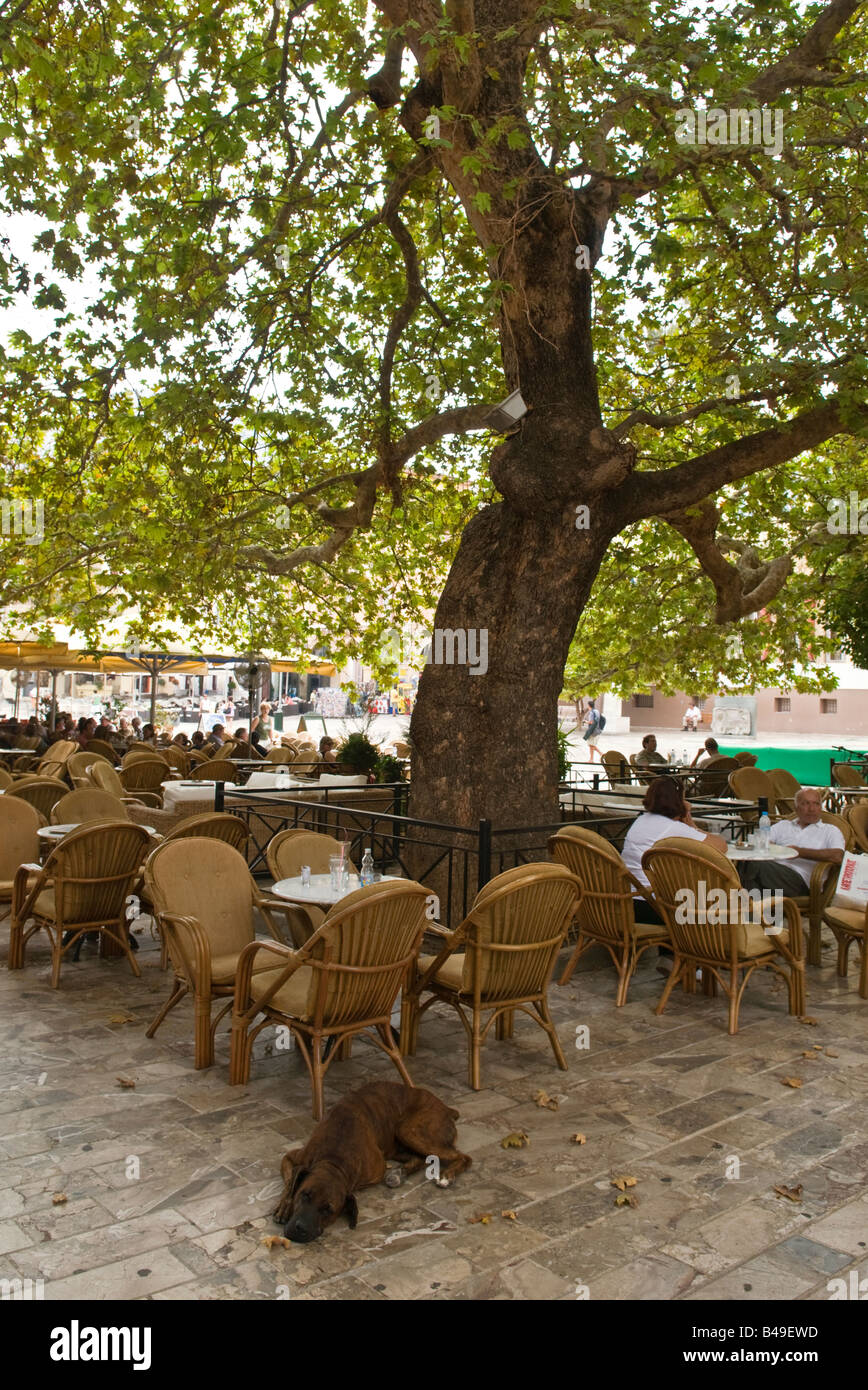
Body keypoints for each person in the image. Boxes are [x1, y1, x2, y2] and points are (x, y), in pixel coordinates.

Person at [622, 776, 728, 924]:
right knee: (713, 896)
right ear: (678, 800)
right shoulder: (672, 827)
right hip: (654, 906)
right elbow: (721, 846)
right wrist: (690, 821)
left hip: (629, 900)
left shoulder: (641, 820)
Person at [738, 788, 844, 896]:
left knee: (751, 866)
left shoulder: (830, 830)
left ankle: (751, 908)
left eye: (816, 804)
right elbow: (761, 842)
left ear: (821, 808)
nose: (812, 809)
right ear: (796, 808)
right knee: (746, 866)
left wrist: (799, 852)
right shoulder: (784, 825)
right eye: (806, 804)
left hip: (800, 881)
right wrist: (769, 846)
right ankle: (758, 909)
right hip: (771, 873)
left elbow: (838, 856)